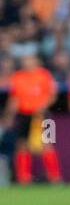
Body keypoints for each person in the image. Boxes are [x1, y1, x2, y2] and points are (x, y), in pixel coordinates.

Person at [6, 53, 61, 184]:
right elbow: (14, 98)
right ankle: (24, 178)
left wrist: (43, 106)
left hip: (42, 115)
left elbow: (52, 95)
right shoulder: (17, 76)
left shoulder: (44, 75)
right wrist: (9, 115)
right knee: (22, 145)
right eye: (25, 60)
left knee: (47, 144)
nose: (27, 62)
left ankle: (54, 177)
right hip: (24, 114)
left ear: (36, 61)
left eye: (29, 59)